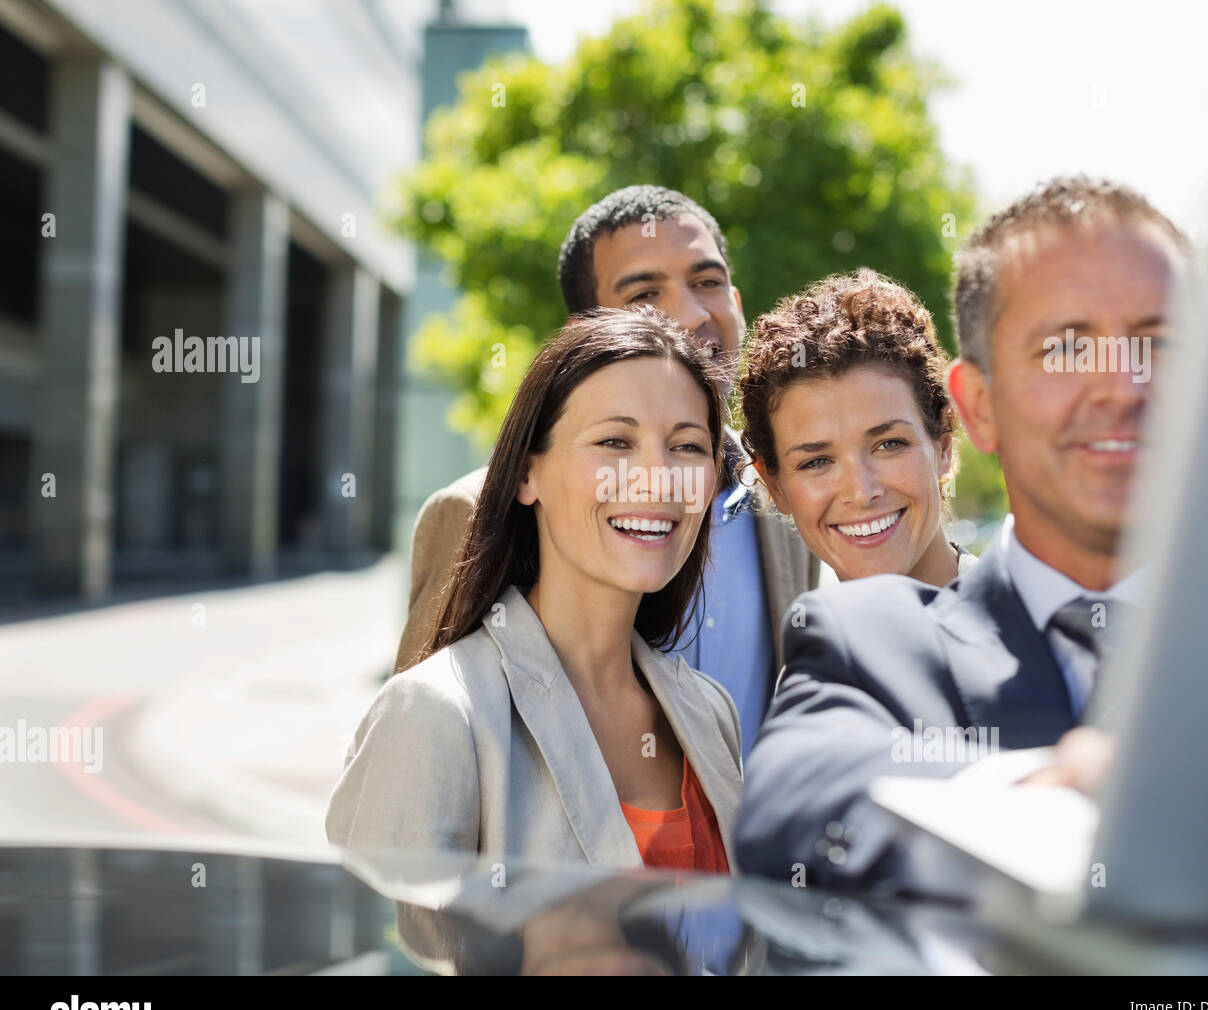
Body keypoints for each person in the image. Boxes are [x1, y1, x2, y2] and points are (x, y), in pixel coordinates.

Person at [734, 176, 1191, 889]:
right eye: (1068, 347)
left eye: (1158, 342)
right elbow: (794, 799)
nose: (1123, 386)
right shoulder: (858, 640)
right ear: (978, 408)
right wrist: (1050, 793)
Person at [394, 186, 820, 759]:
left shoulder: (788, 500)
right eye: (645, 293)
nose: (693, 315)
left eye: (708, 282)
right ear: (588, 332)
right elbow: (422, 752)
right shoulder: (476, 512)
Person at [328, 308, 741, 873]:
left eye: (689, 447)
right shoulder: (435, 715)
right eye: (616, 441)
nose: (657, 476)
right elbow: (395, 955)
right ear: (527, 474)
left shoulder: (710, 711)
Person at [738, 268, 977, 586]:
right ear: (774, 485)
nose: (862, 492)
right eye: (816, 462)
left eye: (889, 444)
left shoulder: (1038, 631)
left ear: (943, 447)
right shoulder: (800, 633)